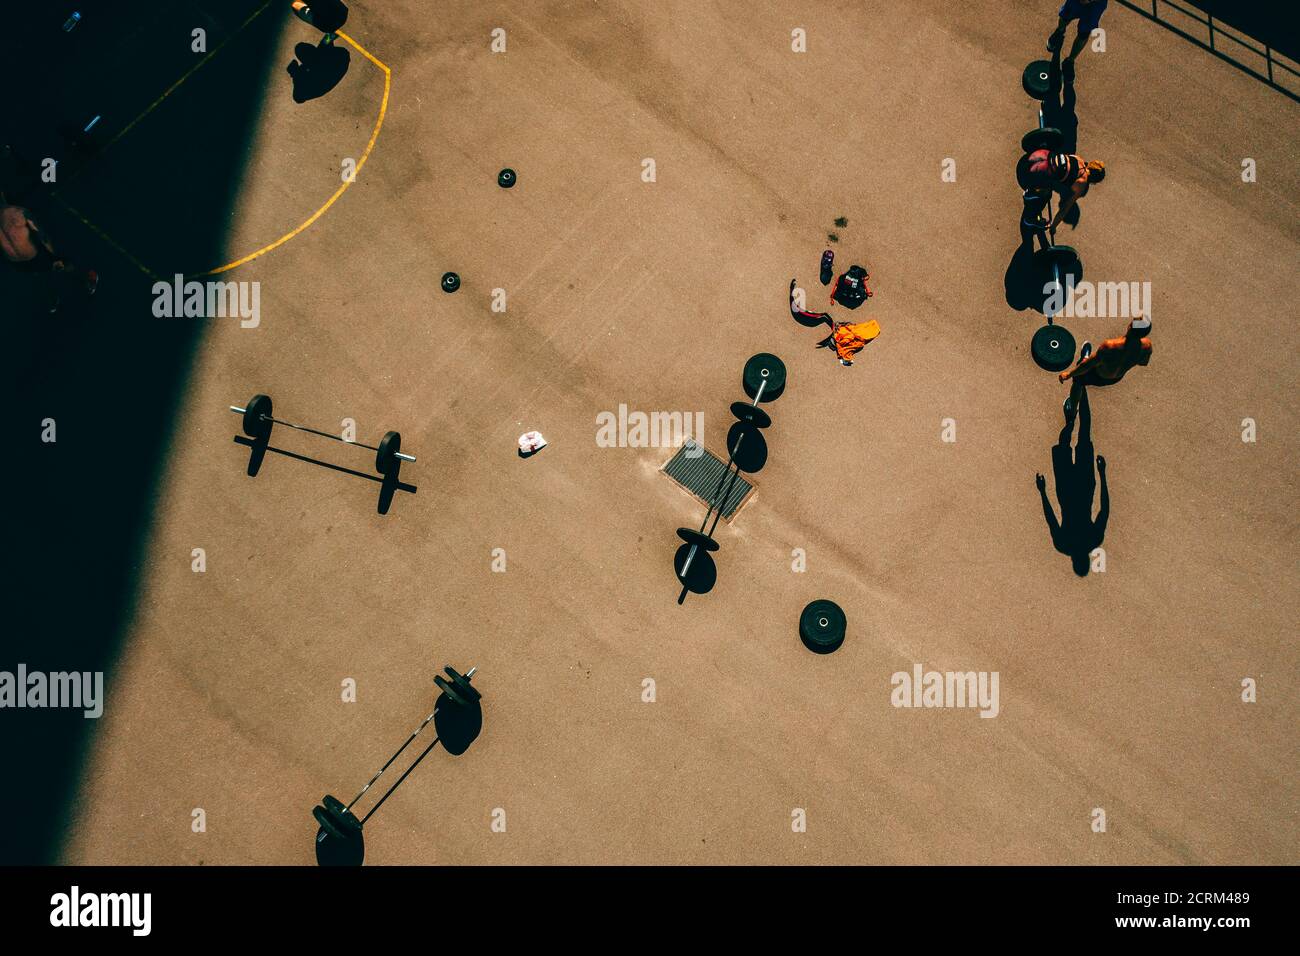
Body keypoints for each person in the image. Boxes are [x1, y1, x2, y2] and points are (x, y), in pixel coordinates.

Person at [1036, 387, 1108, 577]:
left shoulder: (1093, 540)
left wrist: (1102, 474)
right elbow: (1051, 519)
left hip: (1083, 488)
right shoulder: (1064, 545)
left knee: (1084, 435)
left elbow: (1104, 510)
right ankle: (1072, 414)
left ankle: (1080, 391)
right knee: (1066, 444)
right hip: (1068, 490)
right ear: (1075, 561)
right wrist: (1042, 492)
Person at [1, 198, 98, 312]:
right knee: (39, 275)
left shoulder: (17, 212)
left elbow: (40, 233)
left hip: (36, 255)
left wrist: (52, 256)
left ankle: (87, 276)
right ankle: (52, 297)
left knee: (61, 266)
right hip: (17, 262)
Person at [1058, 316, 1152, 417]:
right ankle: (1086, 356)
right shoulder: (1146, 347)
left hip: (1098, 374)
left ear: (1130, 326)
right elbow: (1143, 362)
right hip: (1116, 378)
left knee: (1078, 380)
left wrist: (1068, 374)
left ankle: (1072, 411)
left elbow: (1087, 365)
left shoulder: (1110, 346)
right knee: (1091, 363)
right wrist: (1129, 359)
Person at [1022, 149, 1105, 236]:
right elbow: (1065, 208)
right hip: (1035, 172)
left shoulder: (1078, 158)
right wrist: (1053, 226)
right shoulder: (1082, 182)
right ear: (1094, 180)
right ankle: (1030, 216)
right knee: (1047, 194)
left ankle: (1033, 190)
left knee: (1054, 172)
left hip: (1037, 155)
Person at [1047, 0, 1108, 68]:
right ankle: (1059, 31)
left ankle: (1070, 60)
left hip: (1096, 4)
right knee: (1065, 17)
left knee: (1084, 34)